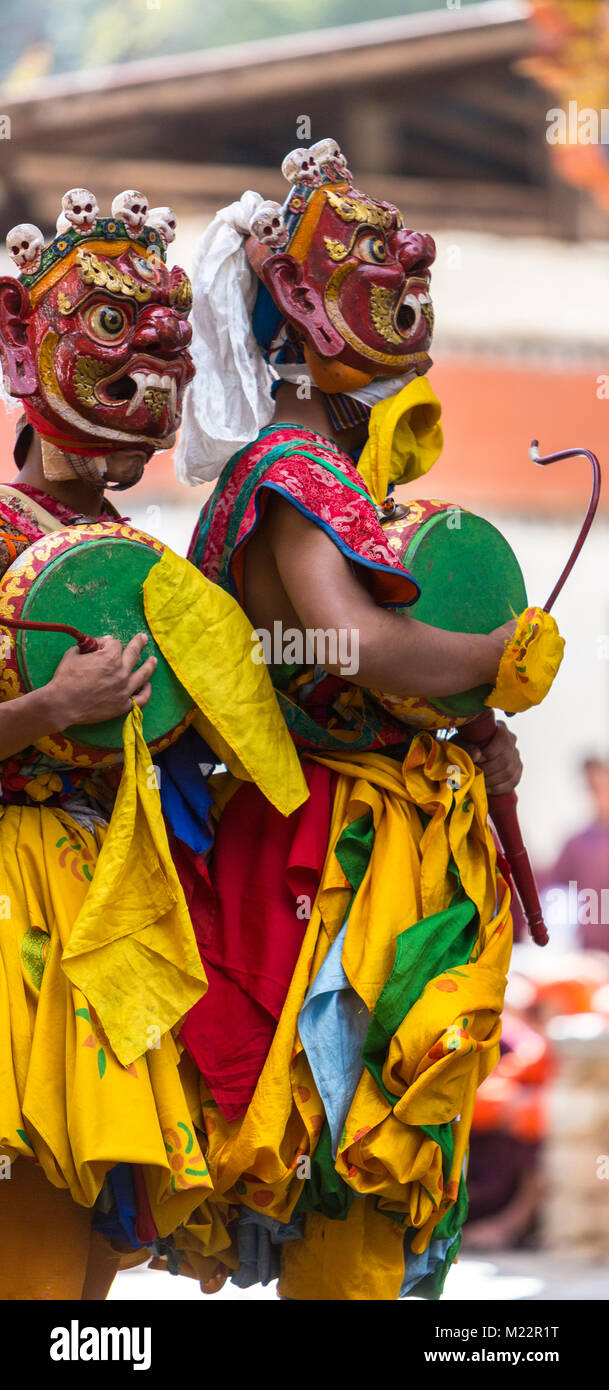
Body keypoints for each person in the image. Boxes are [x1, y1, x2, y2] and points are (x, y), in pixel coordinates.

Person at [175, 138, 564, 1299]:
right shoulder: (290, 471)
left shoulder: (342, 476)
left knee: (391, 1204)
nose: (410, 274)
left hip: (377, 842)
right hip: (324, 865)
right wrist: (494, 661)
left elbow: (380, 680)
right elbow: (350, 645)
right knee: (348, 1172)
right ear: (296, 298)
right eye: (369, 262)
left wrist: (461, 723)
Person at [0, 190, 305, 1299]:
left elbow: (235, 740)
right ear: (23, 344)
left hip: (119, 902)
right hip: (13, 907)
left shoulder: (145, 560)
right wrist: (42, 710)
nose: (156, 374)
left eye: (169, 342)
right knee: (28, 1208)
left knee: (88, 1257)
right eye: (117, 333)